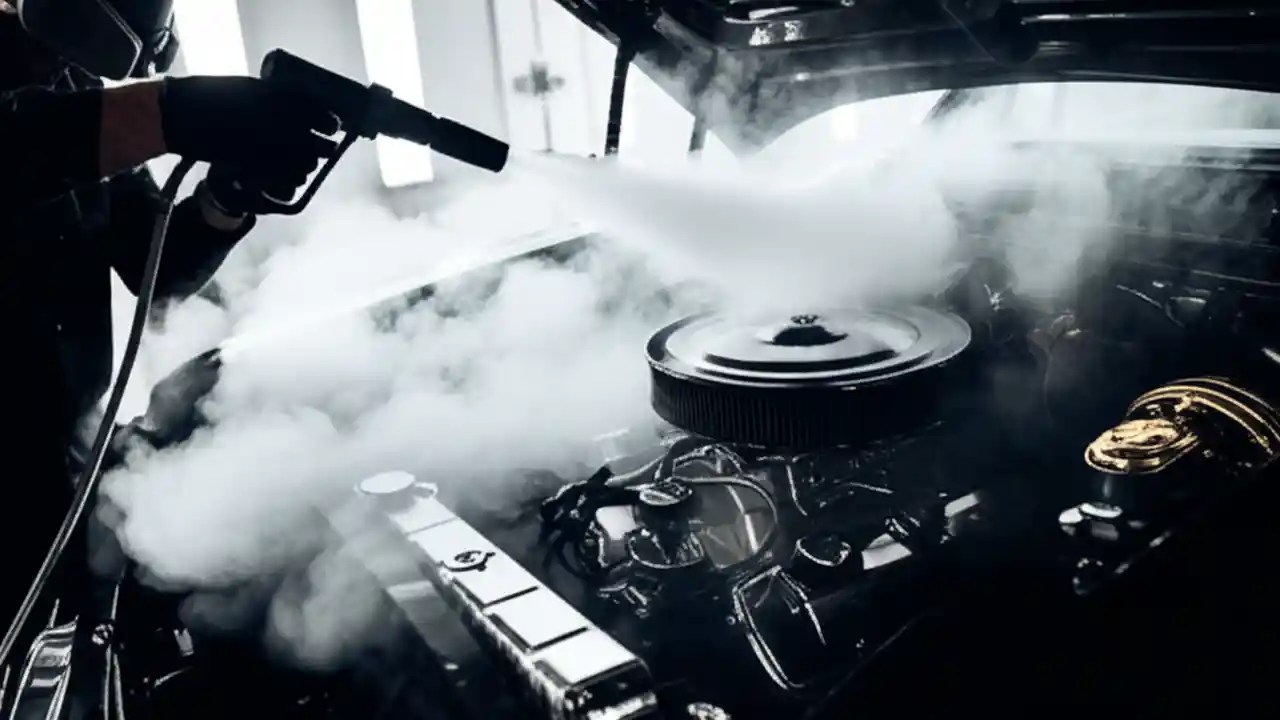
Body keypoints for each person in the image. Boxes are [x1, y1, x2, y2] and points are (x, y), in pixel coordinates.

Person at [0, 0, 340, 632]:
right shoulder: (70, 113)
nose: (59, 70)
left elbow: (156, 263)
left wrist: (229, 196)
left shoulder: (77, 88)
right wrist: (168, 113)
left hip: (59, 457)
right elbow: (20, 145)